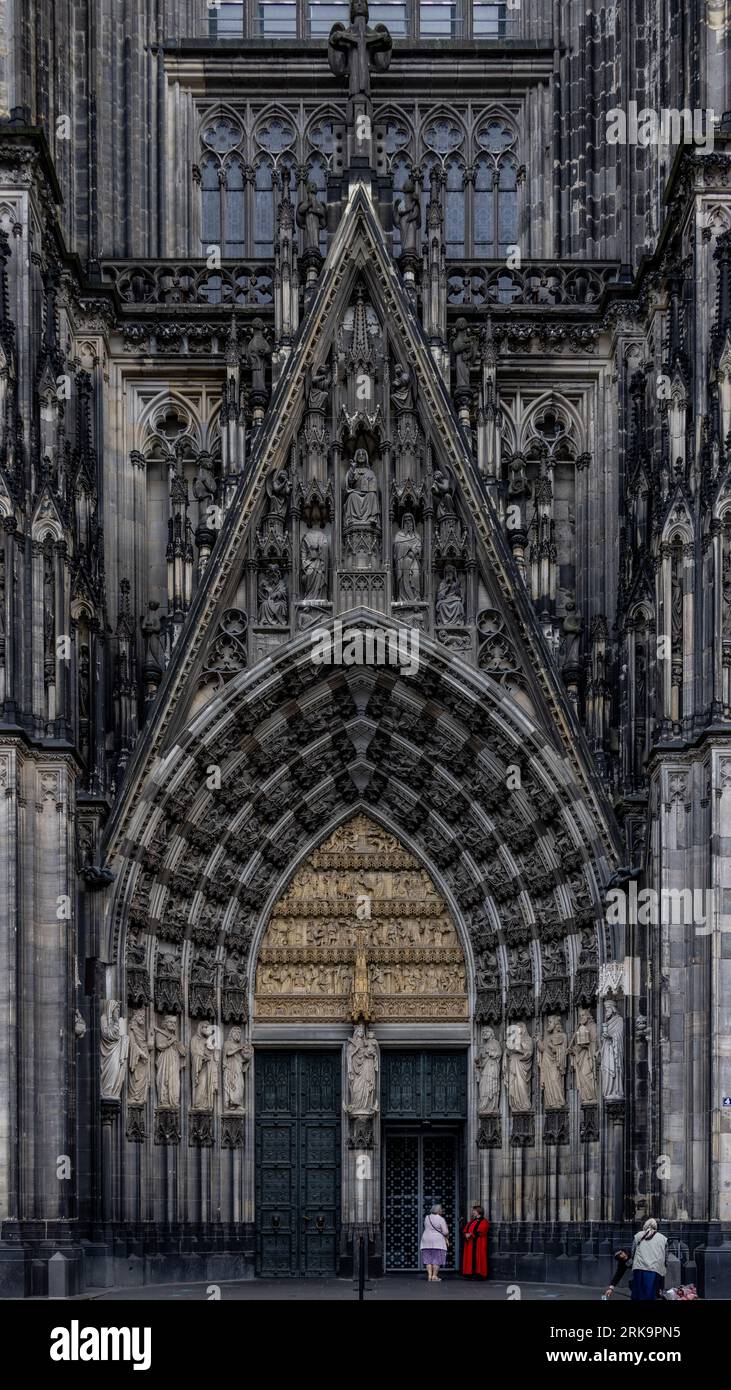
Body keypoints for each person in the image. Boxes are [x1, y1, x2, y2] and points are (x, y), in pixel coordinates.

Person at [627, 1218, 667, 1300]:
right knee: (650, 1293)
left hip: (639, 1267)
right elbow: (665, 1255)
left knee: (638, 1292)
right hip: (654, 1269)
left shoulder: (638, 1235)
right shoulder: (663, 1238)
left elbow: (633, 1251)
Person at [420, 1203, 449, 1282]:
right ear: (439, 1211)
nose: (442, 1210)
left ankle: (429, 1276)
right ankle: (434, 1276)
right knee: (437, 1259)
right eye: (441, 1209)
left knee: (428, 1259)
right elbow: (445, 1232)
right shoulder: (441, 1219)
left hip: (426, 1240)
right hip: (437, 1241)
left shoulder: (427, 1217)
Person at [461, 1204, 489, 1280]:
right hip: (470, 1243)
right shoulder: (471, 1221)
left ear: (479, 1211)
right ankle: (470, 1273)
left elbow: (481, 1231)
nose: (473, 1212)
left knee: (478, 1258)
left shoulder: (484, 1221)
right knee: (469, 1258)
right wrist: (465, 1234)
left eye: (474, 1210)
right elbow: (466, 1229)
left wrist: (471, 1234)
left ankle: (479, 1274)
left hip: (479, 1243)